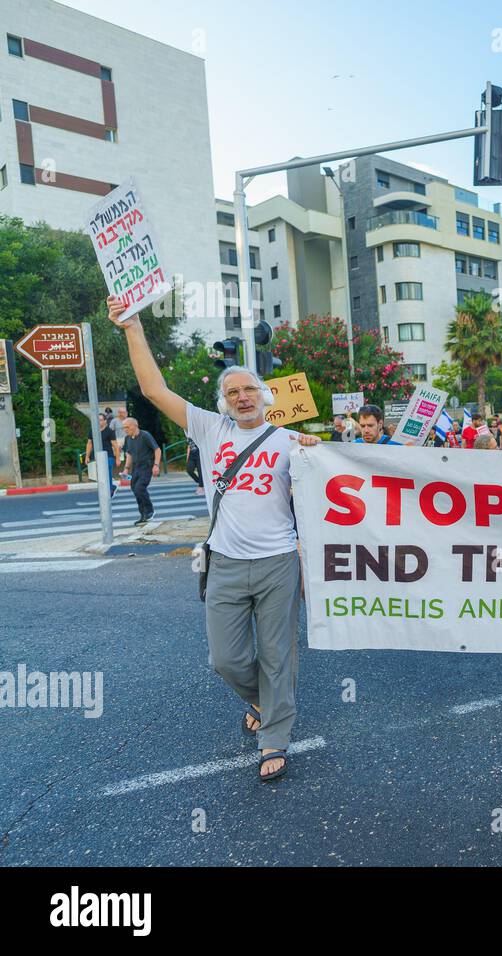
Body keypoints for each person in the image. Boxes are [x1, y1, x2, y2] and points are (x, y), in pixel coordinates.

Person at [108, 293, 321, 782]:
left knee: (277, 655)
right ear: (222, 401)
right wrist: (133, 328)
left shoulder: (290, 441)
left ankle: (275, 737)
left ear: (266, 397)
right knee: (225, 658)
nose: (242, 397)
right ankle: (260, 700)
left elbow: (324, 496)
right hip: (223, 562)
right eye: (233, 392)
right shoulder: (209, 429)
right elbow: (153, 387)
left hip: (278, 562)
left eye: (250, 389)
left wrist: (314, 449)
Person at [121, 417, 161, 525]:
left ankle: (150, 511)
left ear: (135, 425)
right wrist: (126, 469)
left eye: (127, 427)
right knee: (134, 488)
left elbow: (157, 450)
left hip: (146, 466)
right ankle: (143, 514)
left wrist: (156, 465)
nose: (125, 429)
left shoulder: (145, 435)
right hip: (136, 467)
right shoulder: (128, 438)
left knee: (140, 488)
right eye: (124, 428)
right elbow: (129, 454)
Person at [83, 412, 119, 496]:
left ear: (105, 421)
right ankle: (112, 487)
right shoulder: (92, 431)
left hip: (108, 456)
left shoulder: (110, 431)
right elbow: (89, 444)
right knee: (99, 475)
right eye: (97, 420)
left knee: (107, 473)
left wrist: (117, 458)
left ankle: (109, 491)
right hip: (97, 457)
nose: (99, 422)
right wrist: (87, 457)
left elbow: (115, 445)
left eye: (101, 420)